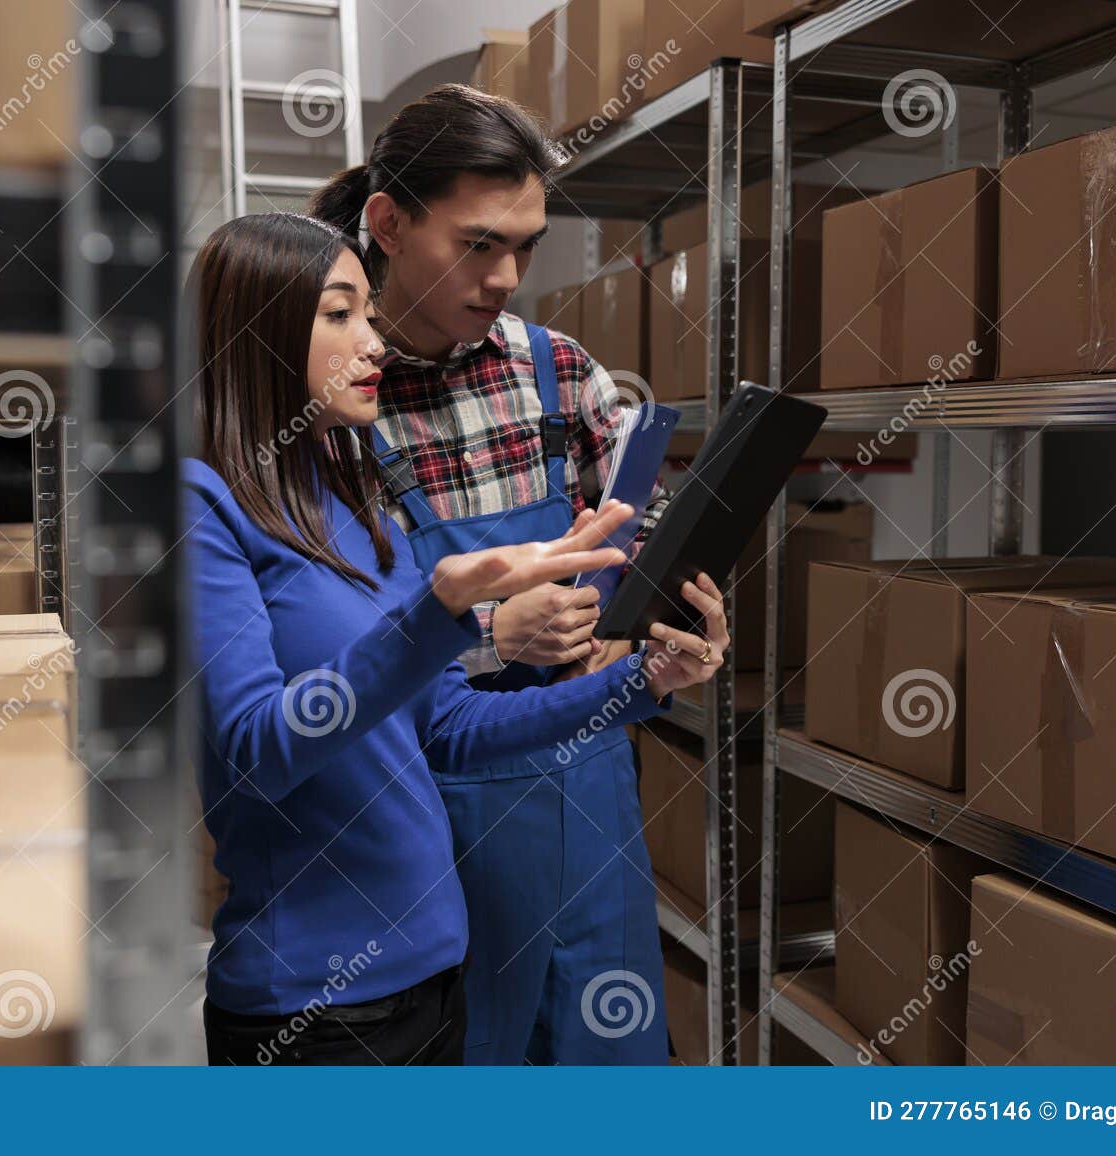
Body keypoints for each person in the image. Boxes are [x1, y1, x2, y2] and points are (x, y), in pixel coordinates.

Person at [186, 213, 728, 1065]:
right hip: (315, 1005)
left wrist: (646, 679)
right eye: (340, 315)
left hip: (435, 971)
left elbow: (451, 726)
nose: (373, 343)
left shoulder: (350, 501)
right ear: (256, 331)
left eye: (368, 315)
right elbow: (258, 753)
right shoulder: (202, 507)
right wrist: (438, 613)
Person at [310, 84, 707, 1065]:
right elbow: (320, 662)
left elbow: (645, 522)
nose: (506, 277)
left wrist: (639, 619)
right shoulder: (331, 403)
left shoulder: (554, 370)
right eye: (478, 244)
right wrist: (492, 638)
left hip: (587, 780)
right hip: (425, 805)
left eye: (525, 246)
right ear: (388, 224)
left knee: (608, 1057)